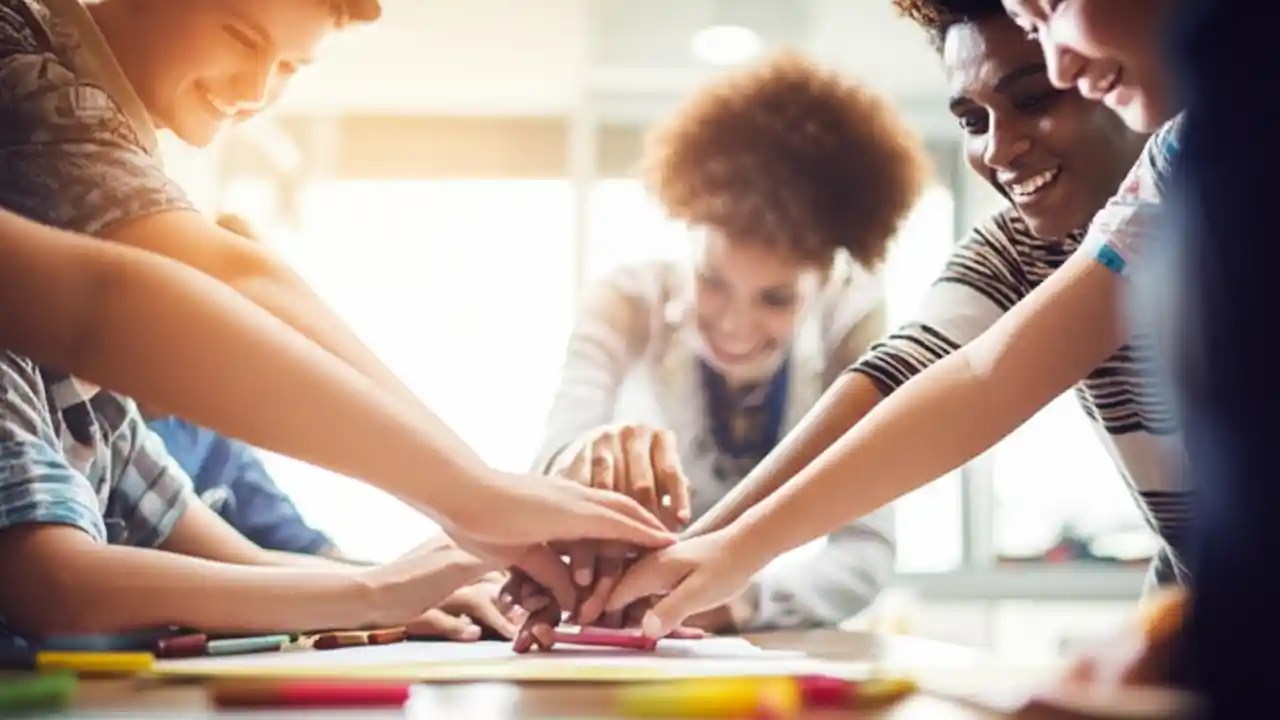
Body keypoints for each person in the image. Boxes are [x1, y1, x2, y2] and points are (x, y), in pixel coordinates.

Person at [0, 0, 672, 566]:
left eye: (290, 66)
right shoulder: (20, 57)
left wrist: (470, 501)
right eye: (240, 36)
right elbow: (199, 285)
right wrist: (472, 492)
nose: (257, 89)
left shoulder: (118, 132)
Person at [599, 0, 1190, 644]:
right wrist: (690, 557)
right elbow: (903, 373)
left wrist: (731, 554)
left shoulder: (1210, 159)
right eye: (971, 119)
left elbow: (986, 378)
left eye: (1038, 95)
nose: (999, 146)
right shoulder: (1026, 244)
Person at [527, 52, 926, 639]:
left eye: (776, 298)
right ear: (687, 240)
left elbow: (866, 548)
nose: (735, 325)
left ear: (827, 281)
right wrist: (577, 460)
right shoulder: (627, 300)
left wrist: (738, 602)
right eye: (712, 282)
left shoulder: (853, 321)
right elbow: (553, 454)